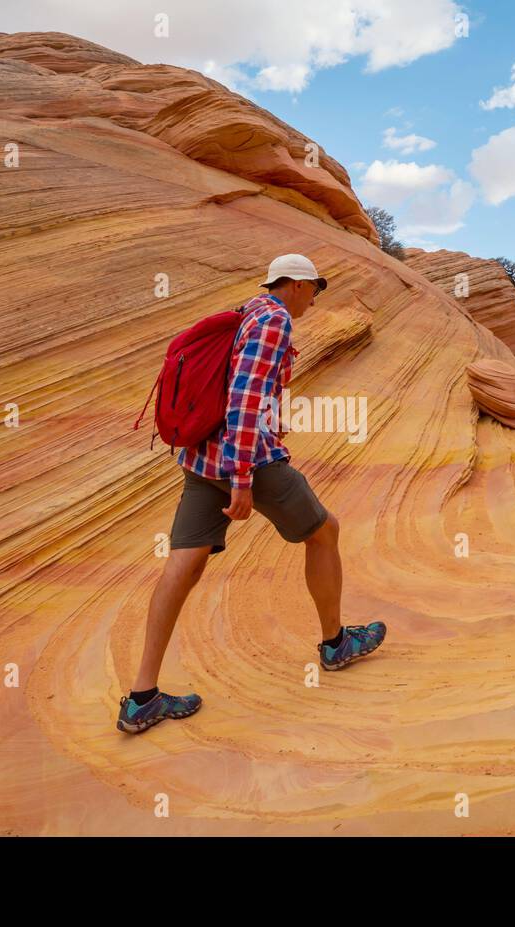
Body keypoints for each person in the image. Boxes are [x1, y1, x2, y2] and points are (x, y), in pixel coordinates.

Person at [118, 254, 387, 733]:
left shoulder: (245, 312)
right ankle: (335, 644)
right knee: (326, 532)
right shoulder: (274, 320)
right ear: (298, 285)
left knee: (183, 563)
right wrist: (242, 477)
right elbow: (244, 401)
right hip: (245, 459)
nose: (314, 299)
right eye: (315, 289)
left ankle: (142, 697)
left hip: (200, 458)